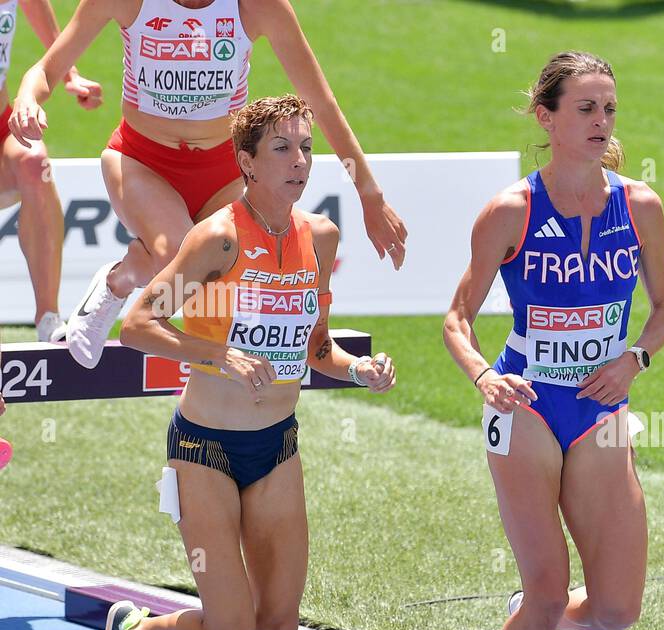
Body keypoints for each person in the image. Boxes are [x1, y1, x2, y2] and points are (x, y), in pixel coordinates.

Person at [99, 94, 395, 630]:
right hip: (203, 446)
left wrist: (356, 370)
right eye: (284, 150)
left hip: (278, 448)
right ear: (246, 164)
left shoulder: (318, 237)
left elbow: (315, 347)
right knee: (231, 628)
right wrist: (217, 355)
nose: (300, 162)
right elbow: (137, 326)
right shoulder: (216, 240)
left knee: (278, 624)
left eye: (305, 147)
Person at [442, 51, 664, 630]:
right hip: (527, 404)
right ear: (545, 118)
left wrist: (635, 357)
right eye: (584, 108)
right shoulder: (511, 211)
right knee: (550, 585)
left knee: (614, 611)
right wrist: (485, 375)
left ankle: (532, 620)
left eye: (608, 108)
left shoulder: (639, 205)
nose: (601, 122)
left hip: (602, 407)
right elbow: (456, 317)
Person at [9, 0, 406, 369]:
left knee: (226, 273)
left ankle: (226, 406)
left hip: (226, 167)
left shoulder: (257, 6)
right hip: (142, 160)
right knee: (179, 257)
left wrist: (370, 194)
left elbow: (320, 99)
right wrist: (29, 98)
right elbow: (45, 69)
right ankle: (119, 280)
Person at [0, 0, 103, 342]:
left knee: (34, 163)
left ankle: (48, 318)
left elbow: (40, 15)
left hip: (2, 124)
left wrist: (71, 75)